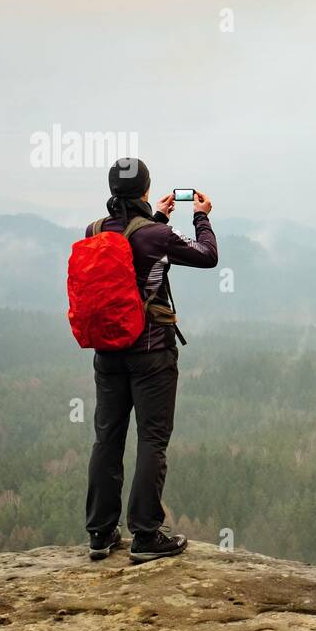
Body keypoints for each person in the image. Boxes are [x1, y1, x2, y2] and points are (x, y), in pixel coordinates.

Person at [85, 158, 218, 562]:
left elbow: (127, 250)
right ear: (144, 190)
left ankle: (100, 534)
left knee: (107, 439)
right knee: (151, 439)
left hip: (107, 352)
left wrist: (156, 215)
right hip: (151, 353)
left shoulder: (93, 231)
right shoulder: (158, 236)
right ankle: (145, 535)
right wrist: (201, 218)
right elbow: (207, 255)